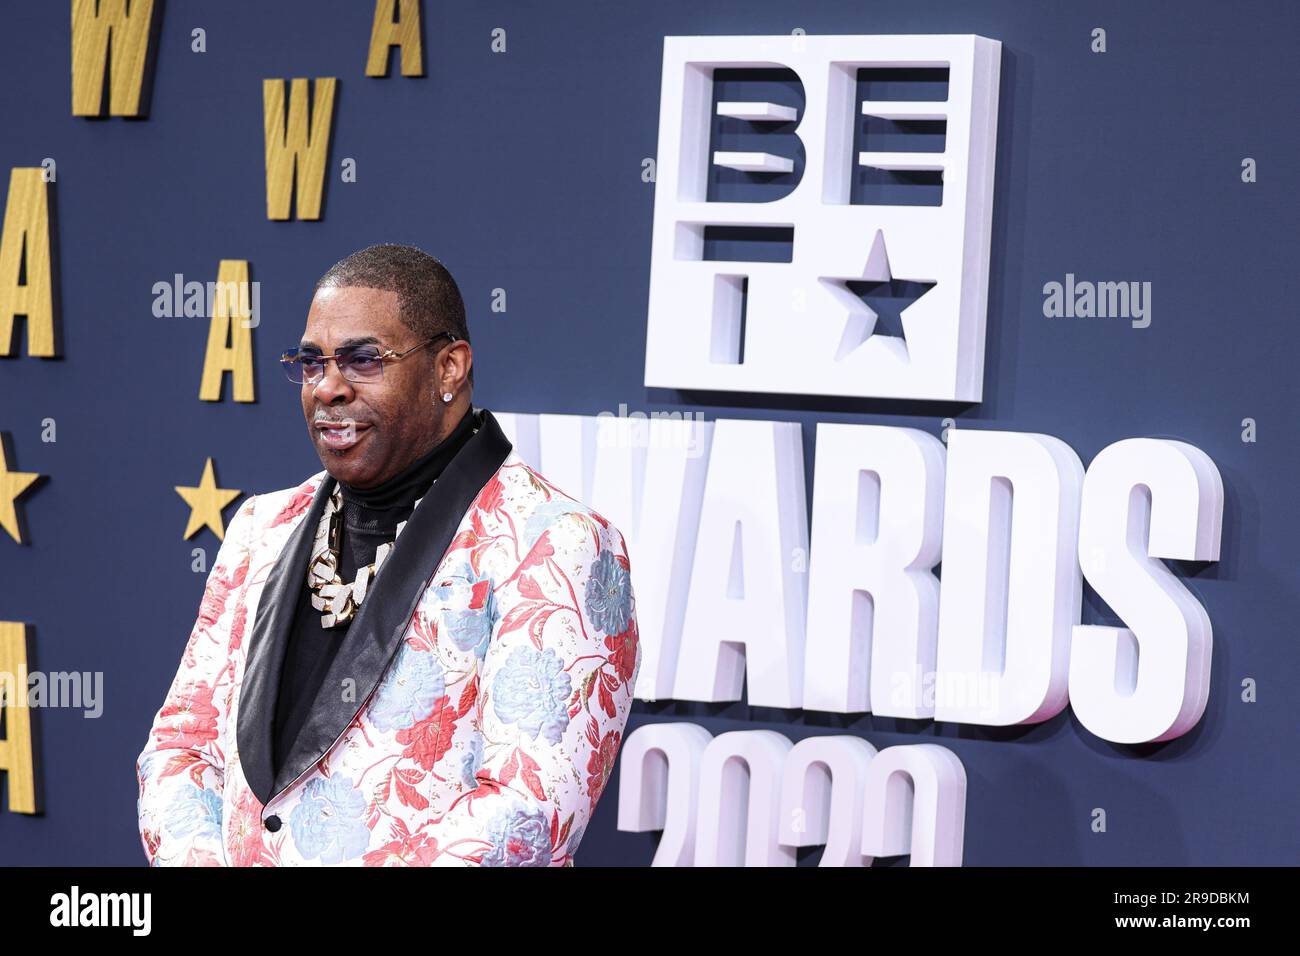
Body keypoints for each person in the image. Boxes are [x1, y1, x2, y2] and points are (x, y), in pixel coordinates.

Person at [135, 243, 640, 866]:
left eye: (363, 360)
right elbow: (181, 746)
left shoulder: (559, 544)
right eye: (311, 362)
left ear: (449, 369)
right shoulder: (260, 529)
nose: (330, 388)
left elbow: (526, 815)